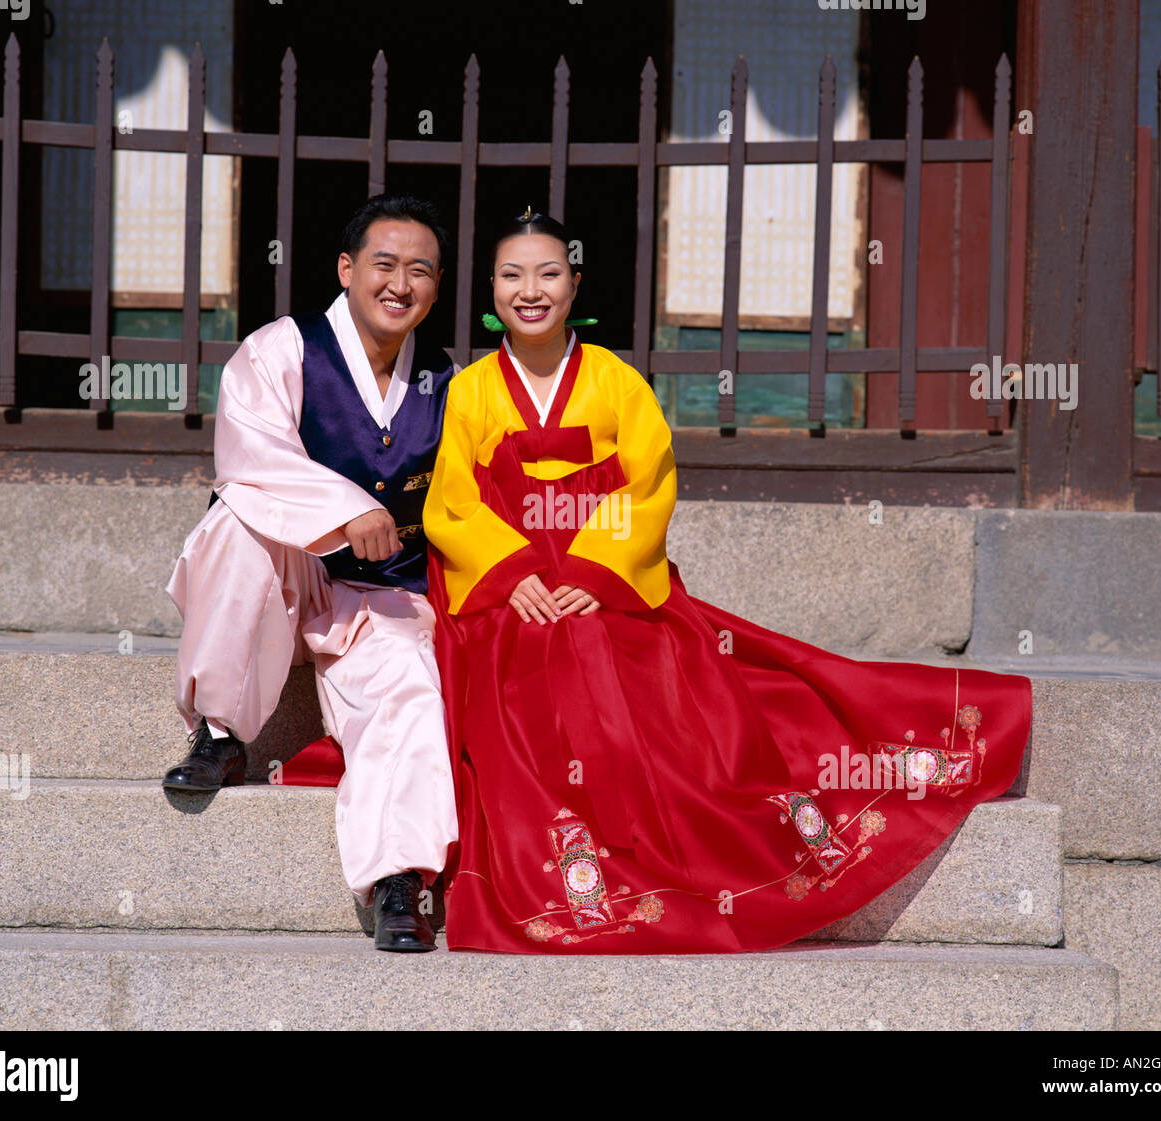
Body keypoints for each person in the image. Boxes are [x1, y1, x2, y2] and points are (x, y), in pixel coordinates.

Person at [416, 208, 1034, 953]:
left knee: (624, 662)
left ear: (575, 283)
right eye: (512, 275)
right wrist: (514, 576)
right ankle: (566, 868)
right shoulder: (472, 389)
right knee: (518, 674)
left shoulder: (617, 382)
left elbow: (648, 489)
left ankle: (664, 854)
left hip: (601, 582)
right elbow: (453, 501)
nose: (531, 290)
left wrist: (591, 571)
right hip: (508, 590)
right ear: (490, 287)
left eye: (549, 273)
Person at [162, 193, 459, 952]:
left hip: (385, 591)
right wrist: (344, 507)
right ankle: (222, 729)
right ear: (346, 269)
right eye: (383, 264)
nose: (400, 283)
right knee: (234, 520)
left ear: (436, 285)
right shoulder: (282, 349)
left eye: (419, 270)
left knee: (405, 686)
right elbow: (250, 460)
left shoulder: (448, 381)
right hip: (288, 579)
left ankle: (398, 880)